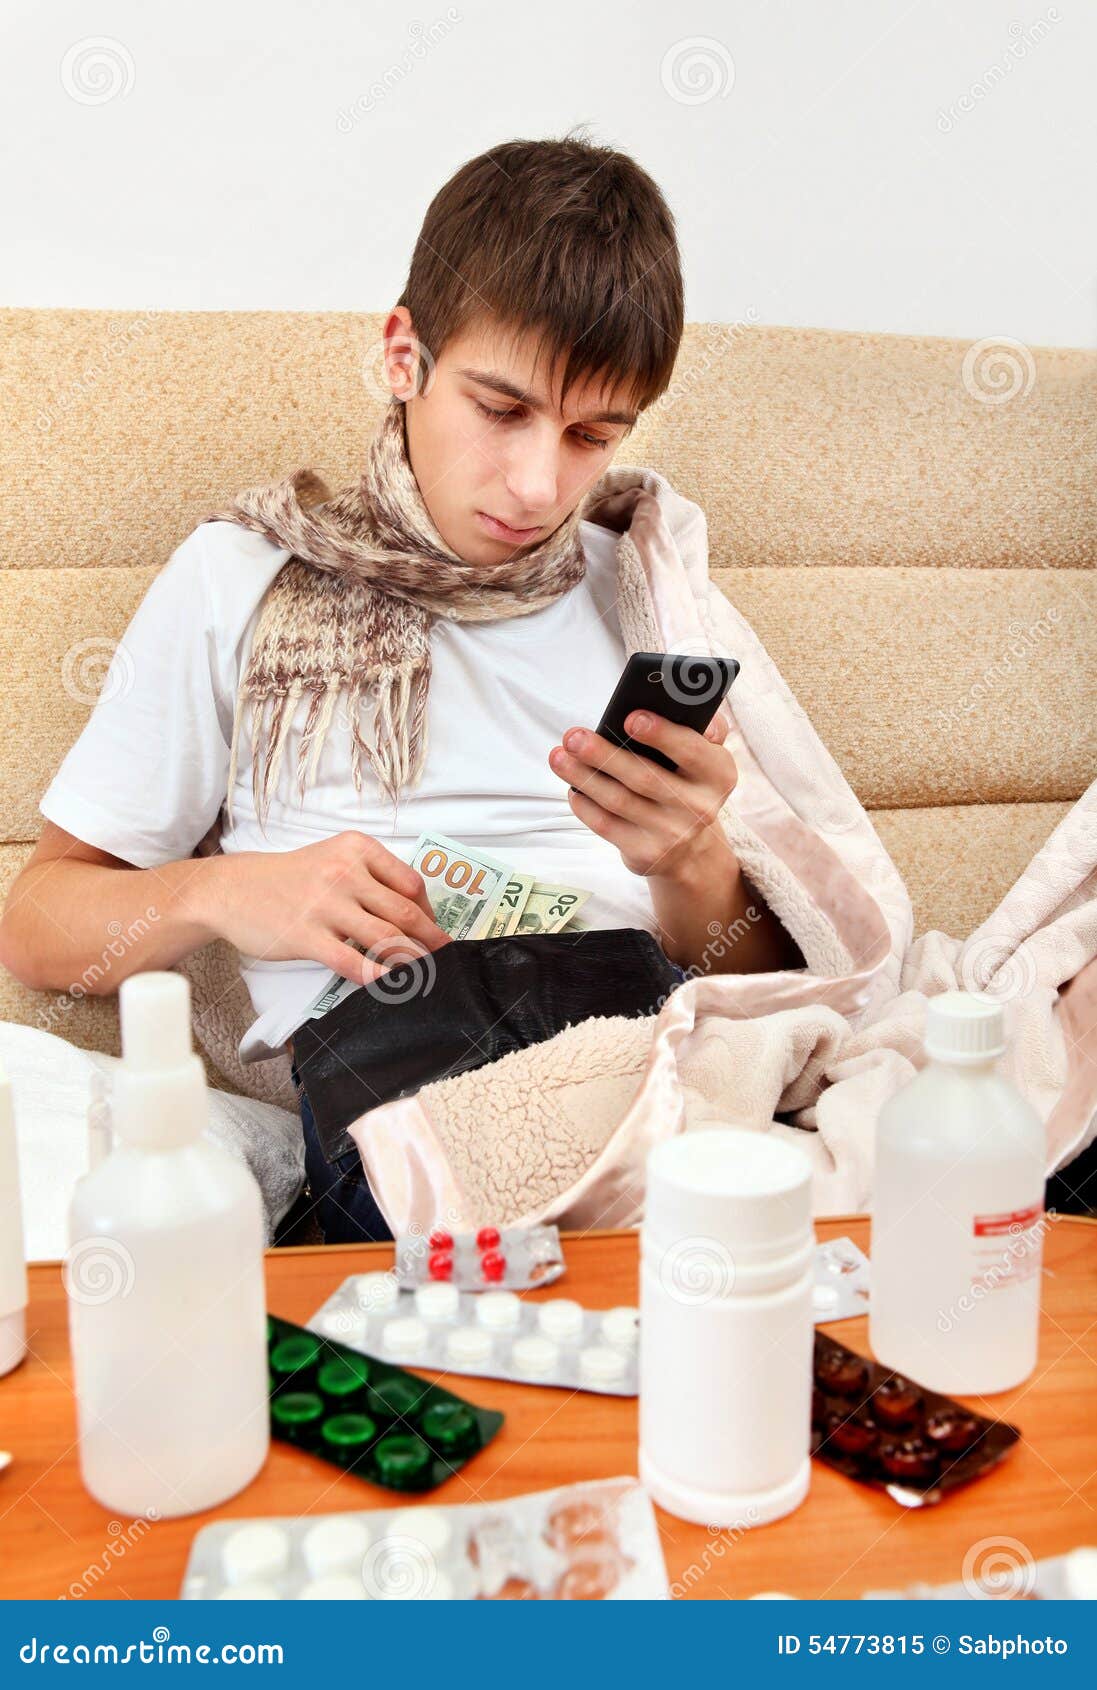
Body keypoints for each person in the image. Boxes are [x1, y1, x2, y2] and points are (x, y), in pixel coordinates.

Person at [0, 129, 799, 1244]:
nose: (536, 484)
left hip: (650, 1047)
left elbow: (776, 980)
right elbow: (35, 927)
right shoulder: (242, 578)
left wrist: (691, 862)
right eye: (501, 408)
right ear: (402, 355)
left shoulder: (652, 596)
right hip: (399, 1074)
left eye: (589, 436)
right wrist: (221, 894)